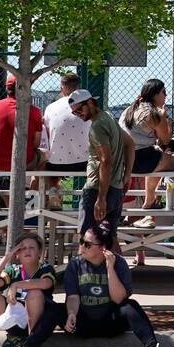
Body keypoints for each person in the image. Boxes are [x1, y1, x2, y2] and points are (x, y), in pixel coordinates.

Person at [6, 221, 169, 347]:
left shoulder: (118, 263)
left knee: (131, 306)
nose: (81, 246)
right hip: (82, 322)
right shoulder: (75, 264)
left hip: (110, 322)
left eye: (87, 244)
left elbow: (119, 298)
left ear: (102, 248)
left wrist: (110, 268)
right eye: (81, 241)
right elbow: (73, 296)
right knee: (54, 310)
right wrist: (71, 314)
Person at [70, 88, 132, 253]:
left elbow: (105, 160)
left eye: (80, 109)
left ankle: (81, 277)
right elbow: (130, 144)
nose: (79, 114)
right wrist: (126, 176)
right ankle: (120, 276)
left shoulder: (97, 126)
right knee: (110, 238)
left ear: (90, 102)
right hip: (115, 189)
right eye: (75, 113)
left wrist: (101, 197)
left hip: (98, 189)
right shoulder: (110, 119)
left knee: (86, 239)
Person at [0, 75, 44, 207]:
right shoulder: (35, 111)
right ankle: (31, 194)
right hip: (24, 162)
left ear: (7, 88)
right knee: (42, 157)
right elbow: (36, 144)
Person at [122, 79, 174, 227]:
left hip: (125, 159)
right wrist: (164, 117)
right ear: (155, 94)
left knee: (159, 161)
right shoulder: (154, 114)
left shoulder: (130, 109)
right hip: (142, 159)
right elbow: (165, 140)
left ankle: (149, 201)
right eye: (163, 92)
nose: (165, 96)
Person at [42, 71, 90, 208]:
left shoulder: (51, 108)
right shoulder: (87, 106)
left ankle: (54, 190)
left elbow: (48, 133)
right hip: (84, 162)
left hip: (57, 163)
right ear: (78, 88)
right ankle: (89, 192)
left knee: (48, 168)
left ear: (61, 89)